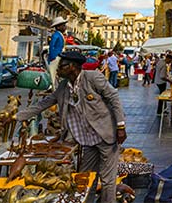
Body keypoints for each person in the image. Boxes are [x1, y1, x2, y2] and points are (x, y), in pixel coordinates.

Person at [17, 50, 127, 203]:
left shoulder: (92, 78)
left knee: (108, 180)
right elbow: (44, 104)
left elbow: (113, 97)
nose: (59, 69)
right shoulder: (63, 87)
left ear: (73, 67)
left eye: (62, 66)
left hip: (105, 135)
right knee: (85, 176)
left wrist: (121, 126)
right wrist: (17, 116)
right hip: (87, 139)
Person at [47, 17, 67, 90]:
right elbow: (52, 46)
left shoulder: (60, 34)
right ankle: (52, 86)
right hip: (55, 56)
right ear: (58, 27)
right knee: (52, 72)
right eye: (63, 25)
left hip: (60, 55)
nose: (65, 27)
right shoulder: (56, 35)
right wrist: (53, 57)